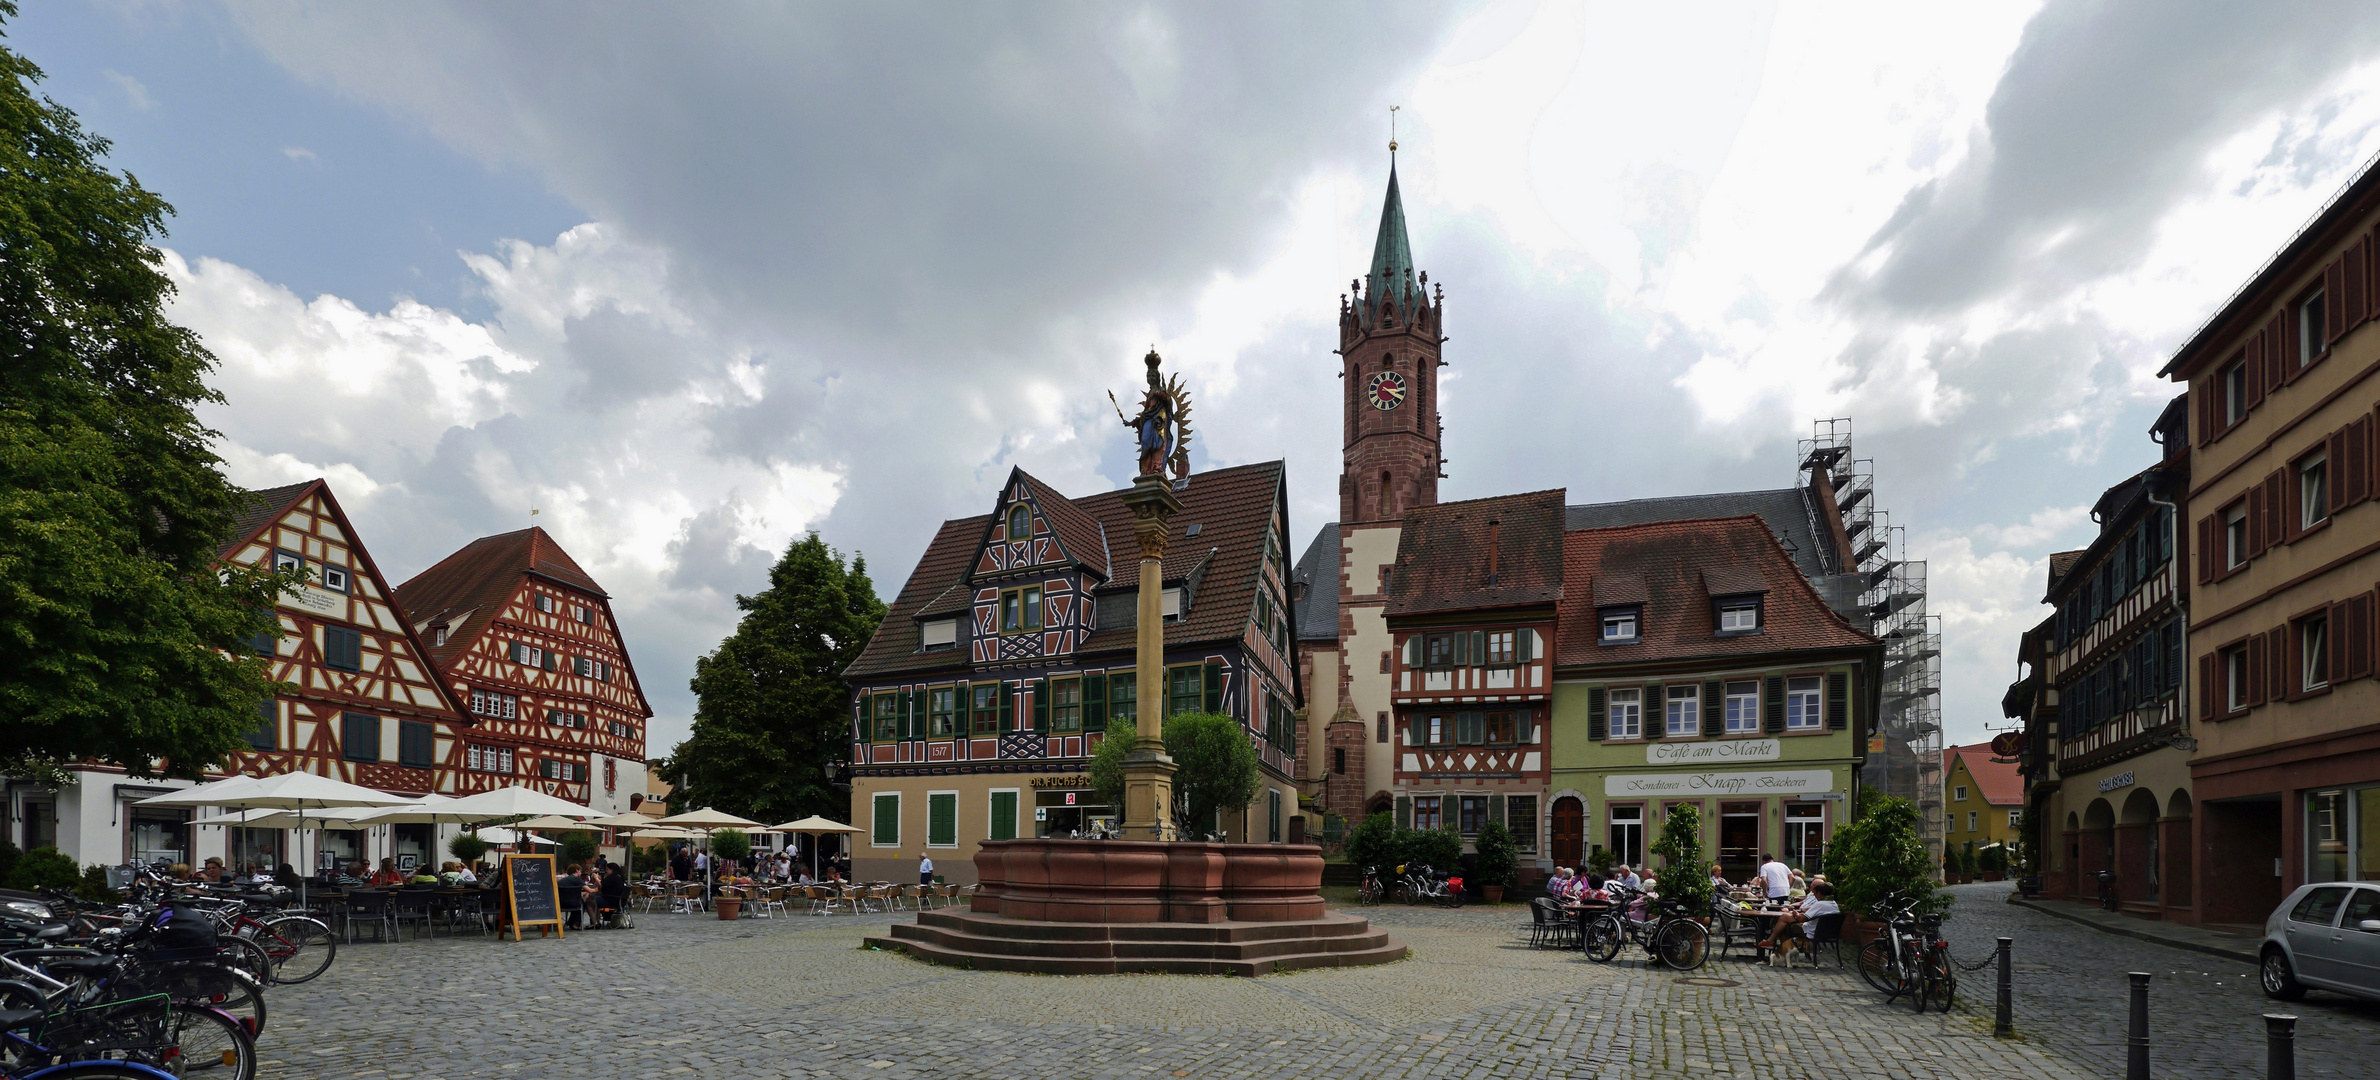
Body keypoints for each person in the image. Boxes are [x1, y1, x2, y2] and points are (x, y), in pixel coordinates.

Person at [1757, 882, 1839, 949]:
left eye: (1815, 894)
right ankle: (1778, 946)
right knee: (1783, 925)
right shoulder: (1833, 904)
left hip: (1812, 931)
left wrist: (1796, 914)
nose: (1815, 896)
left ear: (1819, 893)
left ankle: (1775, 944)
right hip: (1826, 931)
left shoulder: (1820, 904)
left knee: (1783, 921)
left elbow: (1801, 919)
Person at [558, 863, 586, 930]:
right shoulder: (577, 879)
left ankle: (570, 922)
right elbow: (590, 890)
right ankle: (576, 923)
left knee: (577, 900)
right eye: (580, 871)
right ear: (577, 870)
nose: (581, 873)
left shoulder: (562, 881)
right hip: (573, 903)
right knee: (583, 903)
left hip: (561, 903)